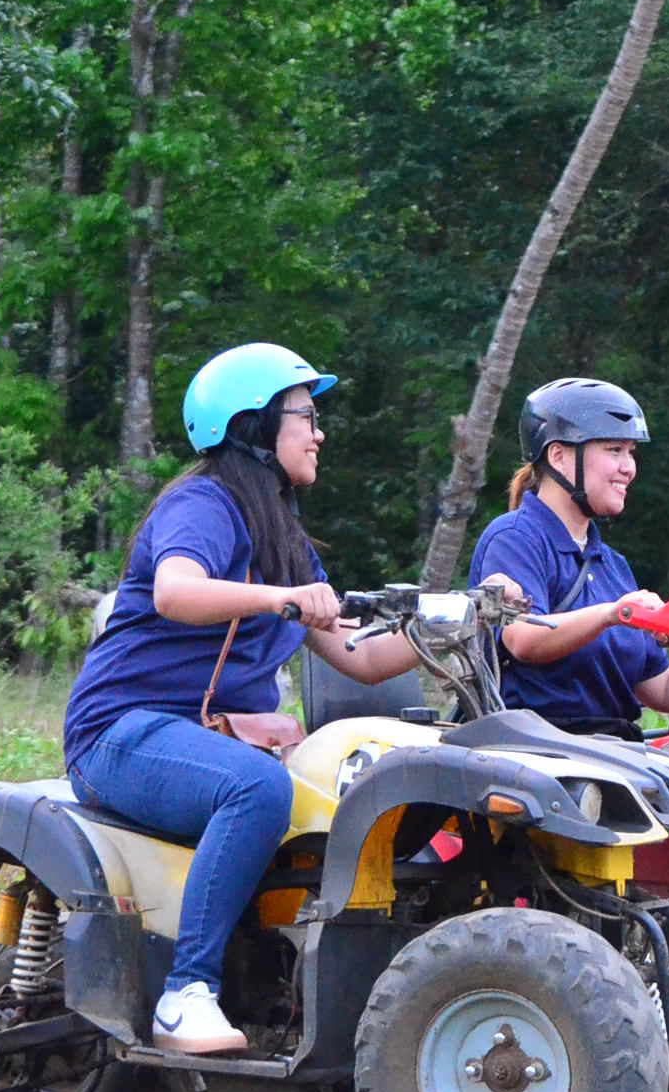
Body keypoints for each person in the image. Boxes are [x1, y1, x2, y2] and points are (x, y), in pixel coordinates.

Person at [61, 342, 427, 1055]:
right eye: (306, 416)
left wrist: (470, 625)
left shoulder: (287, 540)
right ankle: (185, 995)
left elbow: (366, 656)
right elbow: (176, 590)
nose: (320, 433)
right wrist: (282, 598)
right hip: (120, 730)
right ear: (255, 427)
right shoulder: (204, 504)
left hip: (200, 738)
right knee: (258, 789)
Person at [473, 378, 669, 727]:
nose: (629, 467)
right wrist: (613, 613)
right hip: (537, 751)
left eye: (630, 452)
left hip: (615, 751)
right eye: (613, 450)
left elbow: (662, 689)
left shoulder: (611, 565)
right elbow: (523, 639)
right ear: (558, 455)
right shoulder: (515, 538)